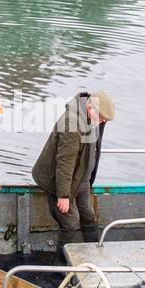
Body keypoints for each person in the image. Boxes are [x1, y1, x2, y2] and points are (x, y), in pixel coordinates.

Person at [31, 90, 115, 252]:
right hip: (58, 179)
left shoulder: (94, 120)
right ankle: (61, 265)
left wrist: (88, 181)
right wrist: (63, 195)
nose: (104, 122)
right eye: (103, 117)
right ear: (90, 107)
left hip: (81, 178)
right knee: (70, 221)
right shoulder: (72, 124)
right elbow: (64, 162)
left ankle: (95, 254)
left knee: (88, 216)